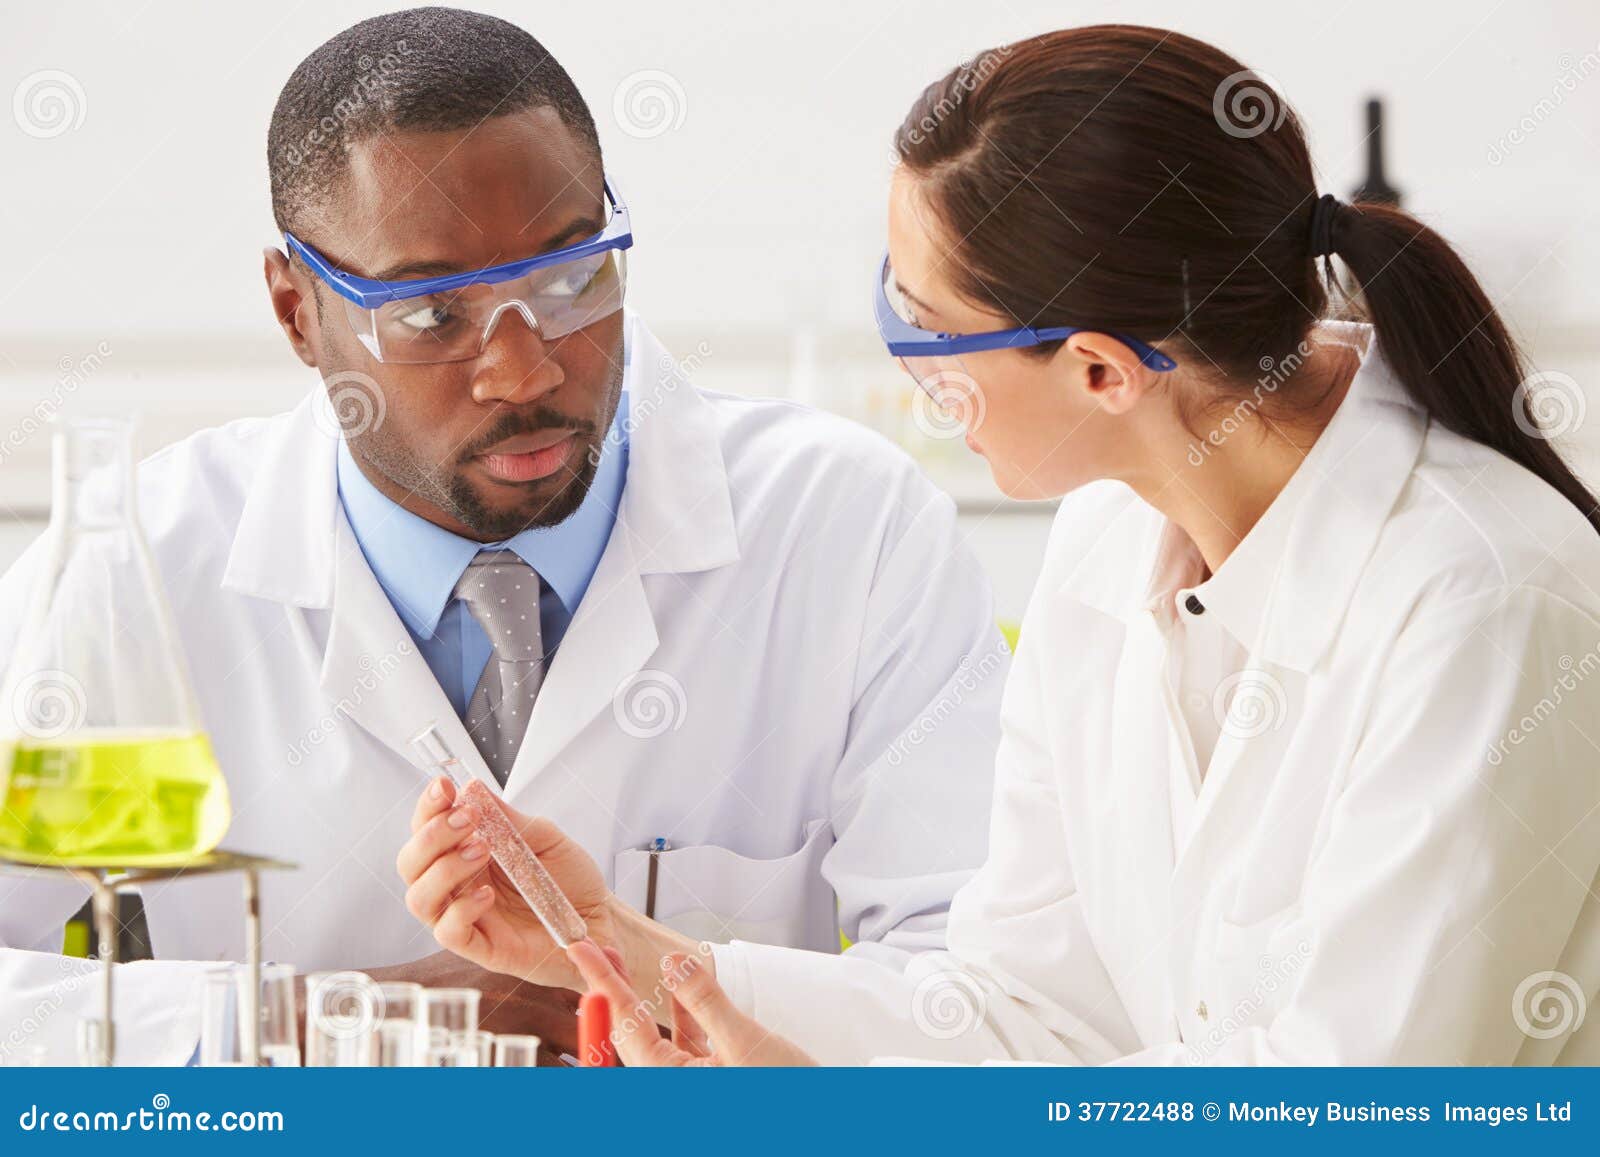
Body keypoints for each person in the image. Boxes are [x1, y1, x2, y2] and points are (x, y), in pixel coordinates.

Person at [398, 24, 1600, 1066]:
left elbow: (1345, 1101)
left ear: (1098, 368)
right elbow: (1025, 1012)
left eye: (921, 328)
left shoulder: (1484, 601)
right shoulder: (1108, 535)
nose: (910, 374)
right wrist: (624, 948)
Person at [0, 8, 1006, 1065]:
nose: (523, 371)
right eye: (432, 315)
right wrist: (328, 1021)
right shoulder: (141, 563)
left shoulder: (845, 525)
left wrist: (662, 976)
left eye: (572, 279)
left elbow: (987, 1009)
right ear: (298, 311)